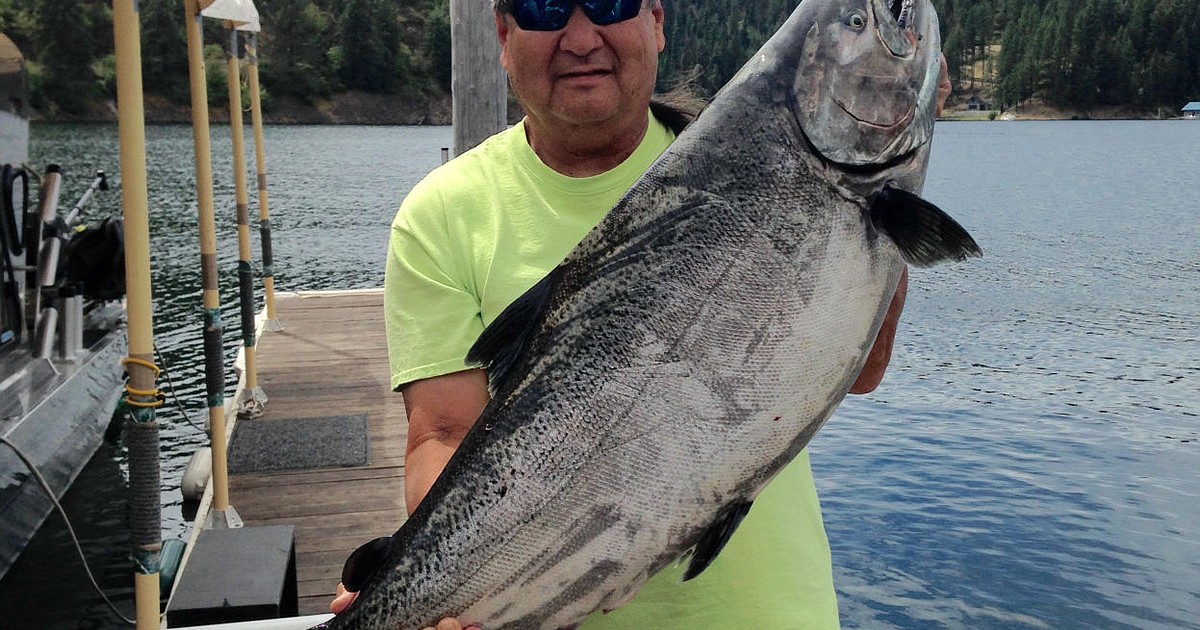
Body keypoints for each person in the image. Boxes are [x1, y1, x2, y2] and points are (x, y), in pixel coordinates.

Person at [333, 1, 952, 627]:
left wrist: (899, 170)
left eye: (609, 2)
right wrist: (427, 586)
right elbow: (442, 434)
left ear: (655, 21)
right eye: (544, 8)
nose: (580, 38)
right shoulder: (442, 214)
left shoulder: (746, 154)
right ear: (503, 33)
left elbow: (863, 367)